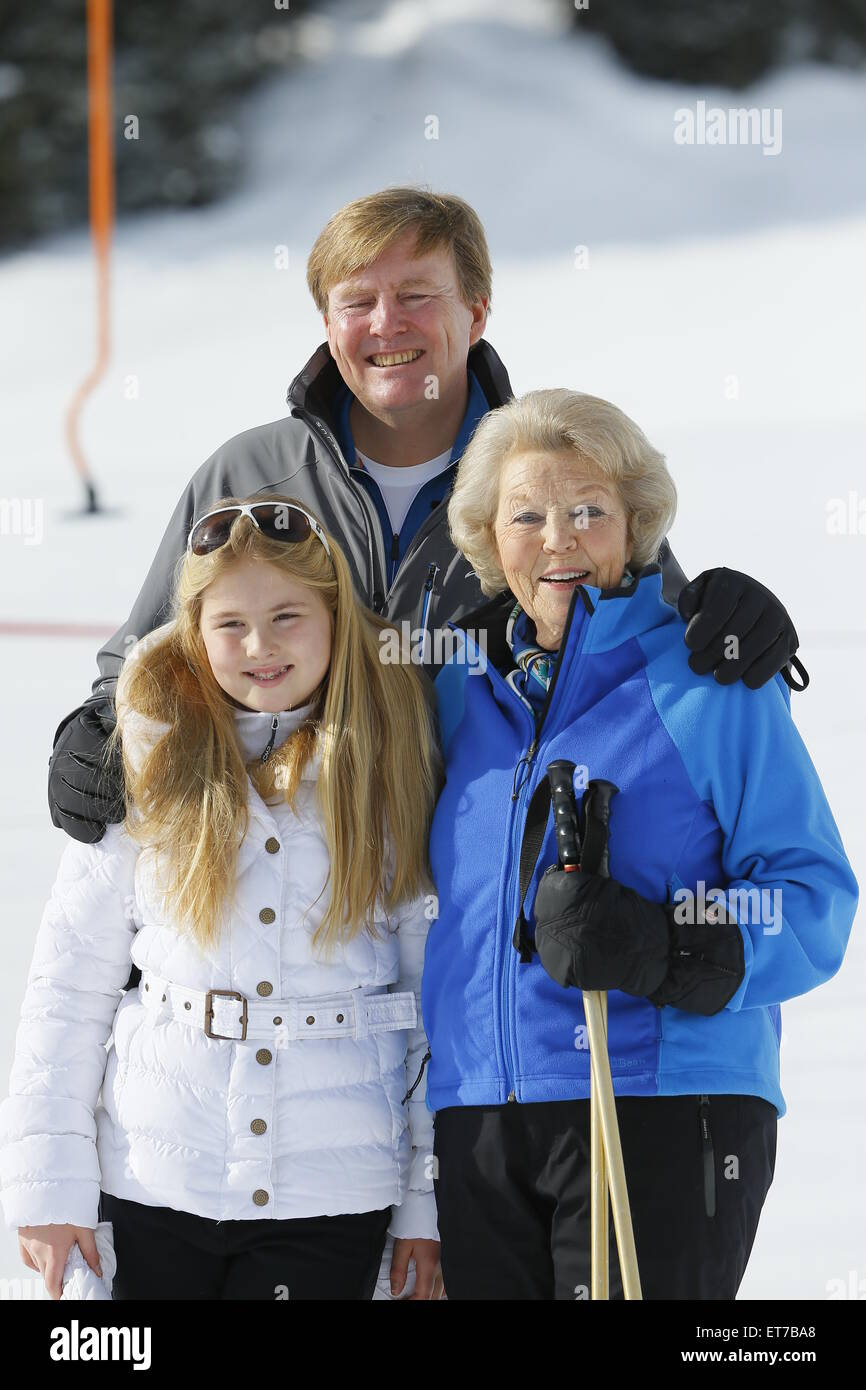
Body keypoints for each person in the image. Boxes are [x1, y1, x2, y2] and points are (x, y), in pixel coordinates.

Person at [48, 187, 806, 852]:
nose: (387, 324)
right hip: (283, 903)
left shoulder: (548, 467)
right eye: (358, 301)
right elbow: (145, 656)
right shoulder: (245, 476)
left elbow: (651, 637)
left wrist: (733, 616)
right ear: (327, 321)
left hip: (483, 892)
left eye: (416, 295)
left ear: (475, 312)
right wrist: (90, 732)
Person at [421, 389, 858, 1300]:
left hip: (661, 1105)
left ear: (635, 526)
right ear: (486, 537)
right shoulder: (458, 698)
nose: (559, 539)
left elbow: (812, 897)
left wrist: (664, 946)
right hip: (480, 1118)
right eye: (527, 515)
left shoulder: (713, 682)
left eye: (589, 511)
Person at [0, 497, 444, 1300]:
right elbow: (67, 986)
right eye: (231, 624)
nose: (260, 647)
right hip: (152, 1180)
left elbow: (431, 1006)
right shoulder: (142, 761)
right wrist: (49, 1186)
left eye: (287, 617)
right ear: (194, 634)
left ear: (337, 620)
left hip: (332, 1199)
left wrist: (426, 1201)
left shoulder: (388, 777)